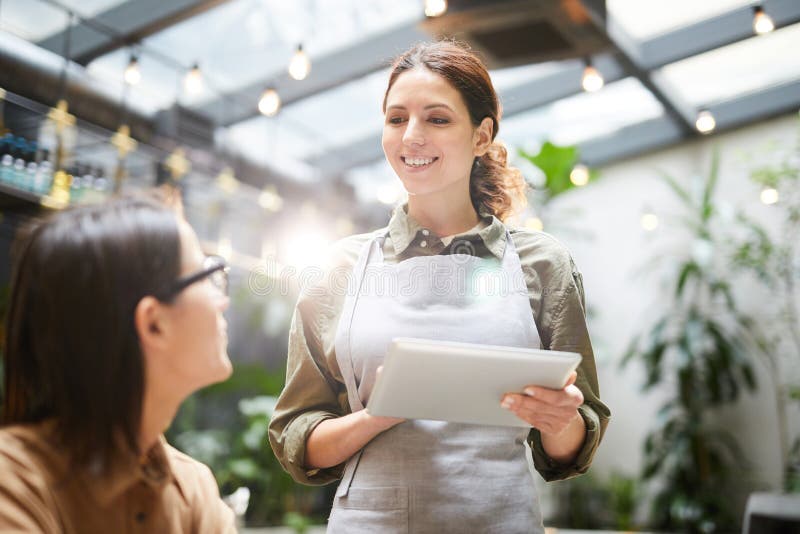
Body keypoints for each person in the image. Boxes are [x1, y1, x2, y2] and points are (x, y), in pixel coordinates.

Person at [269, 41, 610, 533]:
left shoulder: (542, 264)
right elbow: (296, 437)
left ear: (481, 135)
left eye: (437, 119)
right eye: (395, 118)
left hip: (502, 520)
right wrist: (379, 414)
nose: (411, 137)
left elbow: (570, 449)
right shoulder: (338, 268)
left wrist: (561, 421)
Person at [0, 191, 236, 533]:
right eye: (206, 275)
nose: (222, 301)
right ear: (154, 323)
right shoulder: (15, 484)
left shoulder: (194, 489)